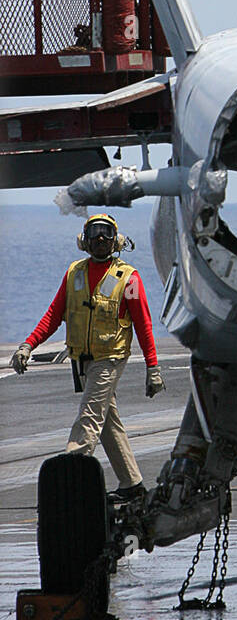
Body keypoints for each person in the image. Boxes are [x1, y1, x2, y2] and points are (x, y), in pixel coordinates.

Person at [8, 214, 164, 501]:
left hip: (111, 358)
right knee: (107, 422)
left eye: (106, 233)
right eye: (94, 233)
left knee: (90, 417)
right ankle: (132, 484)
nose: (100, 238)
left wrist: (152, 367)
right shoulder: (74, 274)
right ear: (85, 240)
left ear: (116, 240)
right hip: (82, 361)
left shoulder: (128, 278)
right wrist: (28, 345)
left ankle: (70, 478)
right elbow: (54, 316)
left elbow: (143, 324)